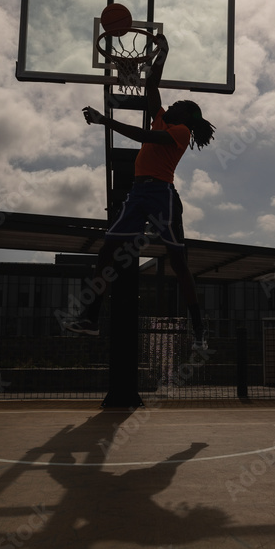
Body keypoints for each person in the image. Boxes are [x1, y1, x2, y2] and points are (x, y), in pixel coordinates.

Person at [63, 34, 215, 351]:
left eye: (179, 104)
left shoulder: (180, 131)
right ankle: (90, 319)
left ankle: (199, 326)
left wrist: (106, 120)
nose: (171, 104)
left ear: (188, 115)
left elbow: (143, 135)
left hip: (163, 196)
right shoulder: (162, 118)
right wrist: (163, 52)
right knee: (107, 250)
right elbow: (151, 86)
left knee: (179, 263)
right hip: (138, 194)